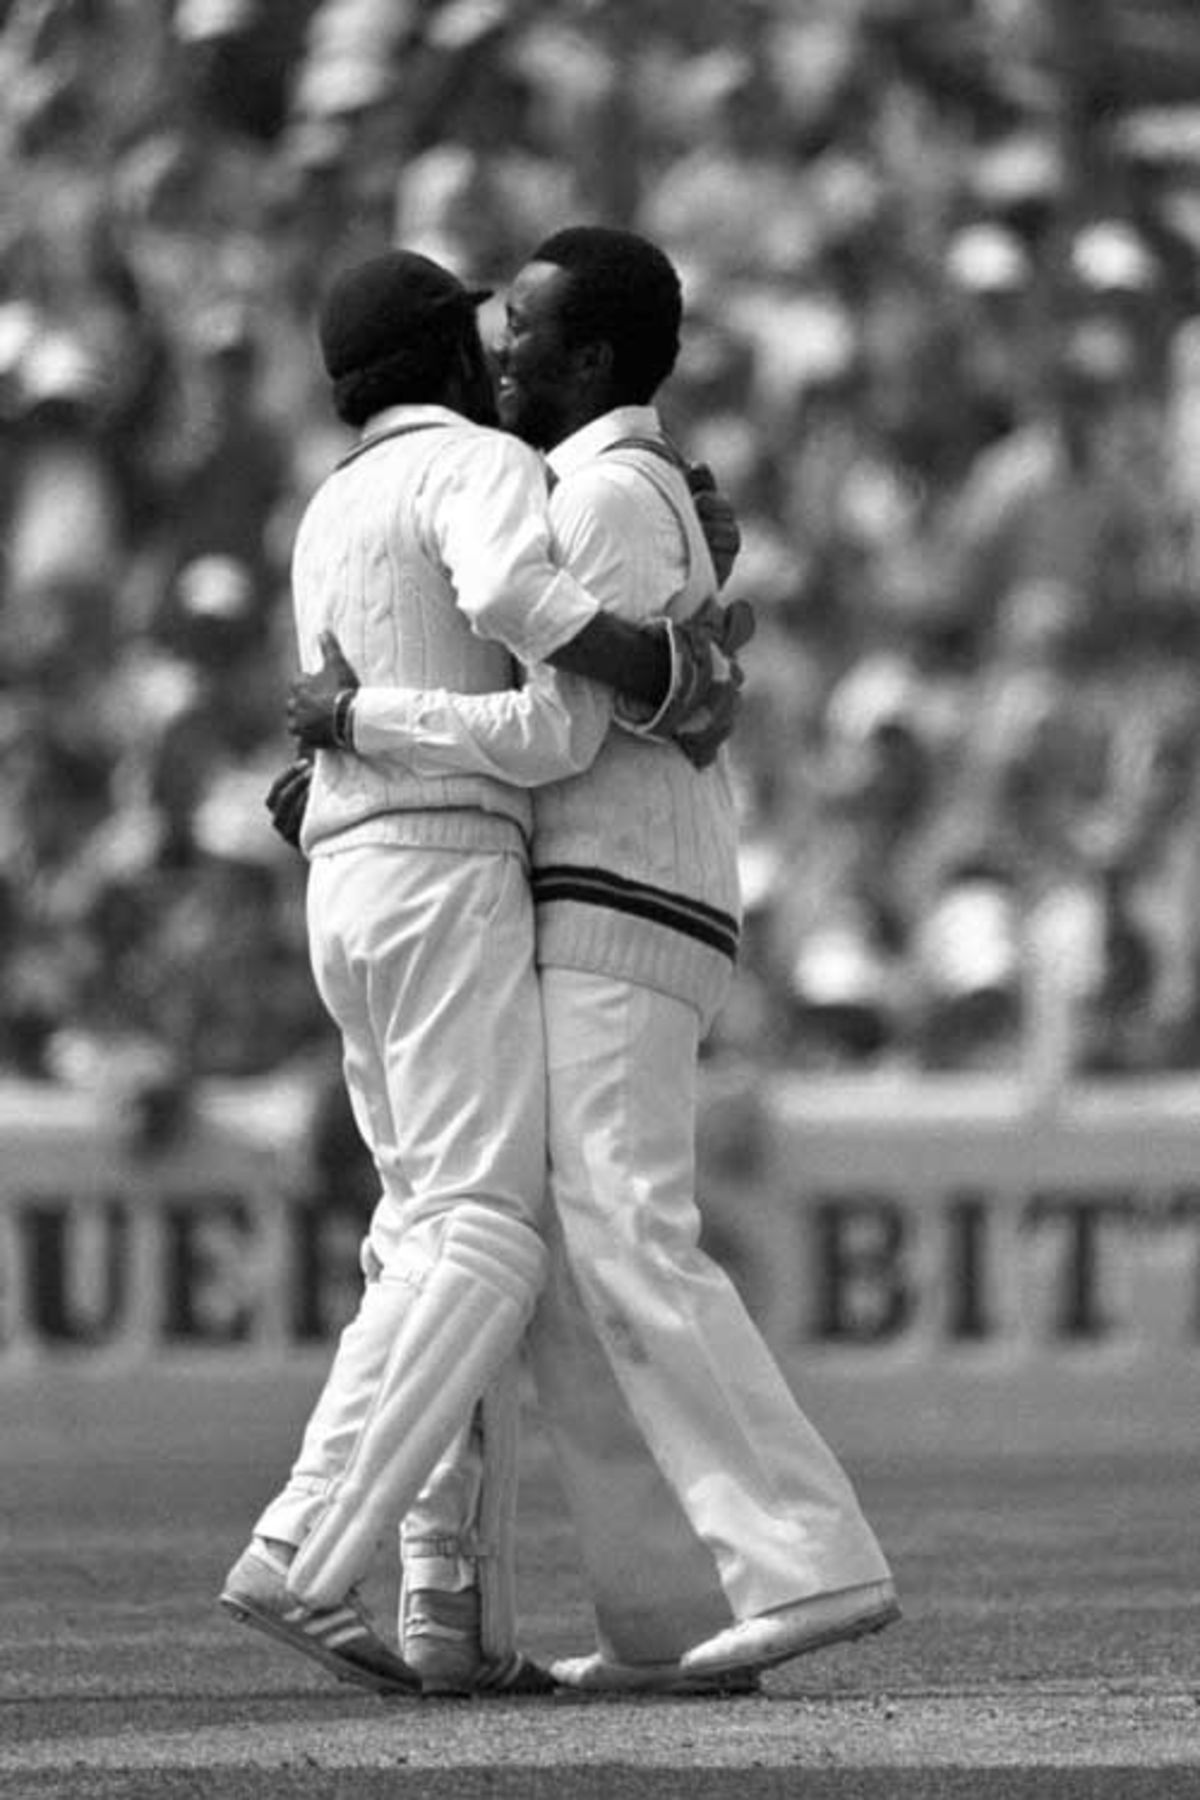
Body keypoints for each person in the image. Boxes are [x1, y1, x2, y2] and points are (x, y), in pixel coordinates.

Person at [283, 227, 898, 1694]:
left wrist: (364, 731)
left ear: (598, 362)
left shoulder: (612, 493)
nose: (504, 356)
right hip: (604, 891)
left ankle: (812, 1561)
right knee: (570, 1261)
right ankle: (668, 1616)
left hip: (624, 891)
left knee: (623, 1227)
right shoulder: (606, 485)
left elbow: (572, 717)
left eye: (532, 337)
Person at [218, 245, 746, 1699]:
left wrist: (349, 735)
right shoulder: (484, 474)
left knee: (423, 1239)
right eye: (490, 336)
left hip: (348, 889)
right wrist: (669, 659)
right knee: (486, 1237)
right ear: (453, 356)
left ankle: (451, 1606)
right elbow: (551, 727)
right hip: (446, 869)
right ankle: (307, 1550)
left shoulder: (328, 506)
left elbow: (334, 710)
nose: (508, 359)